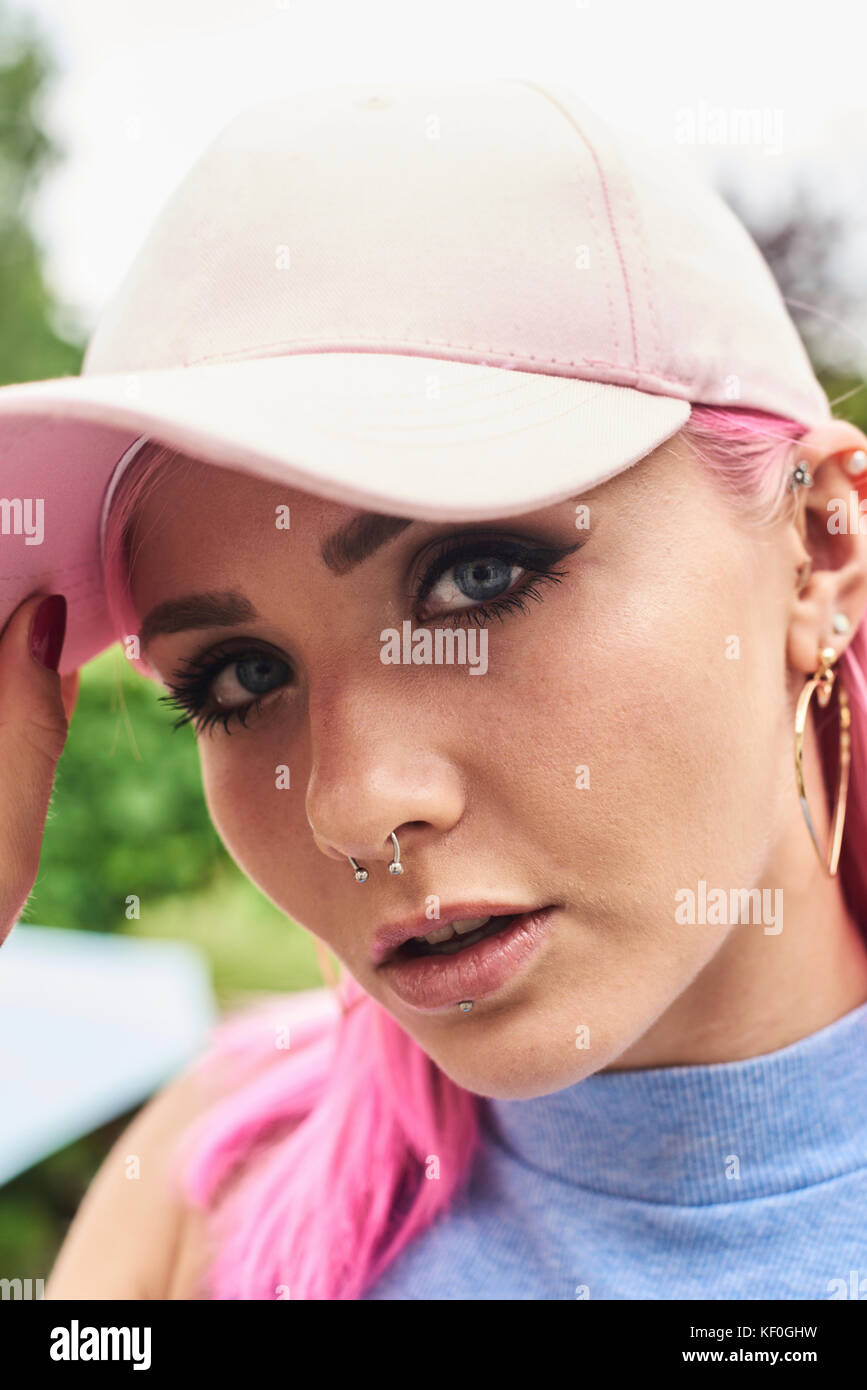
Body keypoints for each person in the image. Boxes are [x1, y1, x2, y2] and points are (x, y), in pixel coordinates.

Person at [1, 77, 866, 1301]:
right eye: (241, 678)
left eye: (474, 576)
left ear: (820, 549)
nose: (352, 807)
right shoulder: (218, 1182)